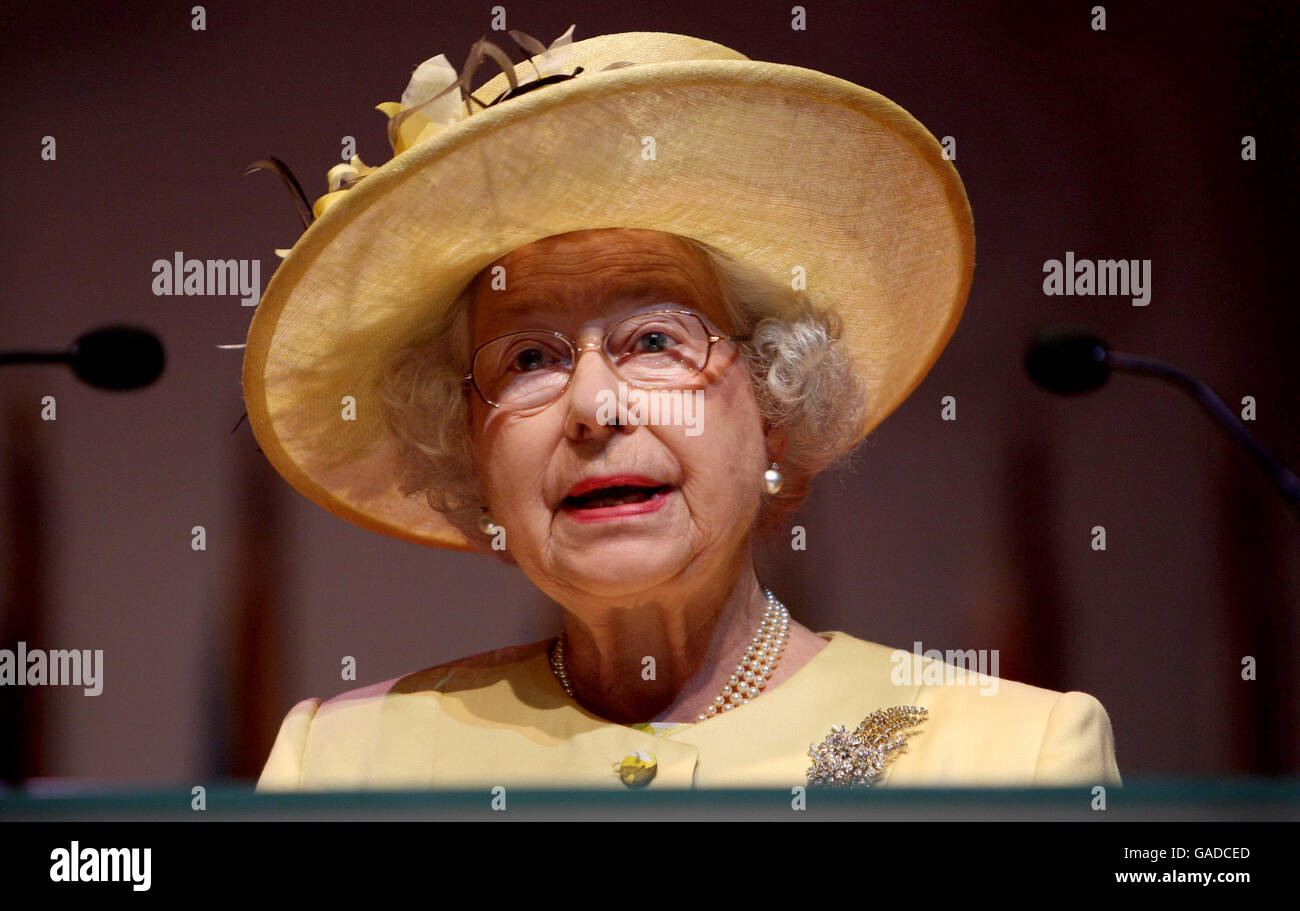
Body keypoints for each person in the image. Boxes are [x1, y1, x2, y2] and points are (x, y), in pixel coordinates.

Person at [243, 27, 1120, 790]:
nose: (593, 406)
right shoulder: (341, 766)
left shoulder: (1014, 757)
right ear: (470, 450)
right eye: (530, 358)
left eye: (655, 340)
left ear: (776, 400)